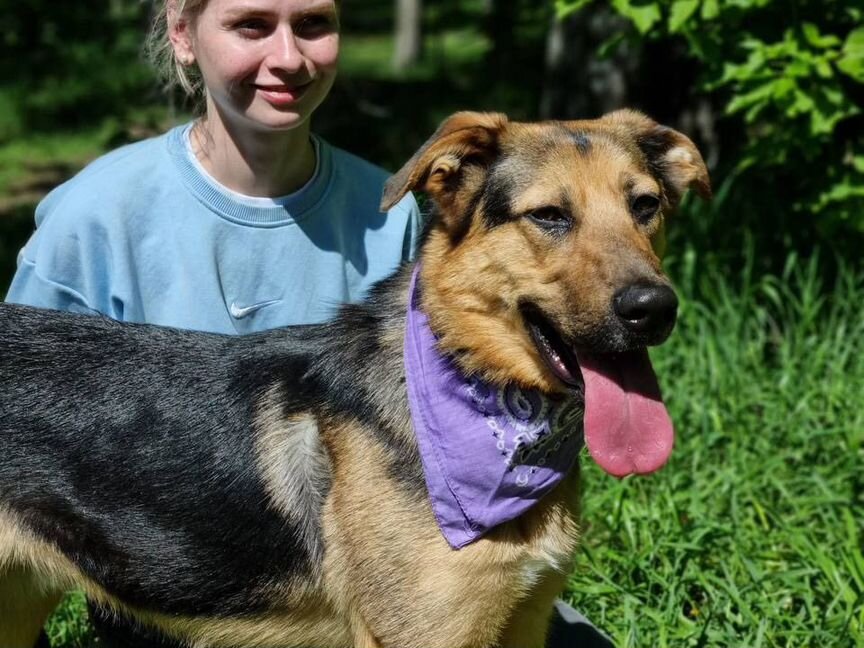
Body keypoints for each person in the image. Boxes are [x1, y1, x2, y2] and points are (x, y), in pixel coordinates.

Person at [7, 0, 613, 646]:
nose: (288, 57)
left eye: (313, 24)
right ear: (183, 34)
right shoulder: (95, 214)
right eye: (251, 25)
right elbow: (33, 411)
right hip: (166, 590)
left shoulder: (390, 211)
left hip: (371, 547)